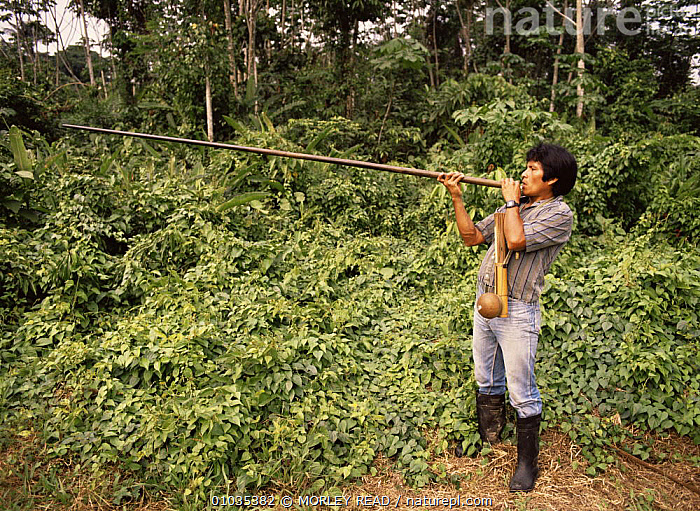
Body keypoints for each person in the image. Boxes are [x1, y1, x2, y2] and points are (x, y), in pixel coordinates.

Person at [438, 143, 577, 492]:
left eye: (533, 170)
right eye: (526, 168)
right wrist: (456, 196)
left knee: (522, 390)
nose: (524, 175)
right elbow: (472, 237)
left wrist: (512, 202)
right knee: (486, 376)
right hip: (486, 304)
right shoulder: (512, 207)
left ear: (553, 179)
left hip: (517, 310)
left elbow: (515, 241)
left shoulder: (558, 214)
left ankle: (527, 464)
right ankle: (490, 440)